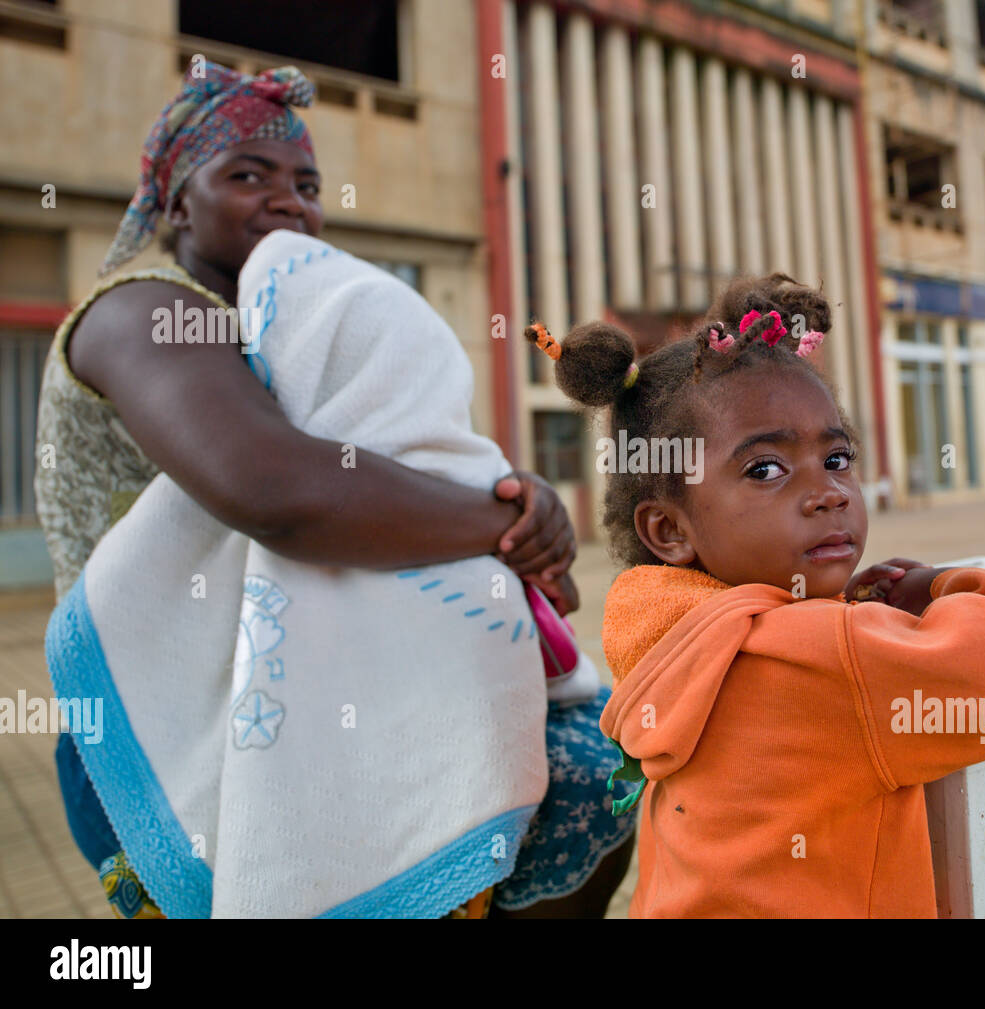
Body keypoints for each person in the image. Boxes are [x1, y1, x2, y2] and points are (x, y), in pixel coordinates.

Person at [35, 63, 633, 918]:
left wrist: (513, 487)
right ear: (175, 205)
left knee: (602, 768)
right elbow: (280, 490)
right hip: (170, 726)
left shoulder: (290, 331)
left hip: (313, 700)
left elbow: (393, 460)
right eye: (246, 174)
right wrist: (501, 521)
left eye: (306, 184)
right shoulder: (141, 312)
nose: (289, 201)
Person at [537, 272, 985, 917]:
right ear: (669, 530)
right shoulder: (834, 659)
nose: (829, 492)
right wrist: (937, 586)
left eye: (836, 459)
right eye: (765, 469)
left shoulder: (666, 637)